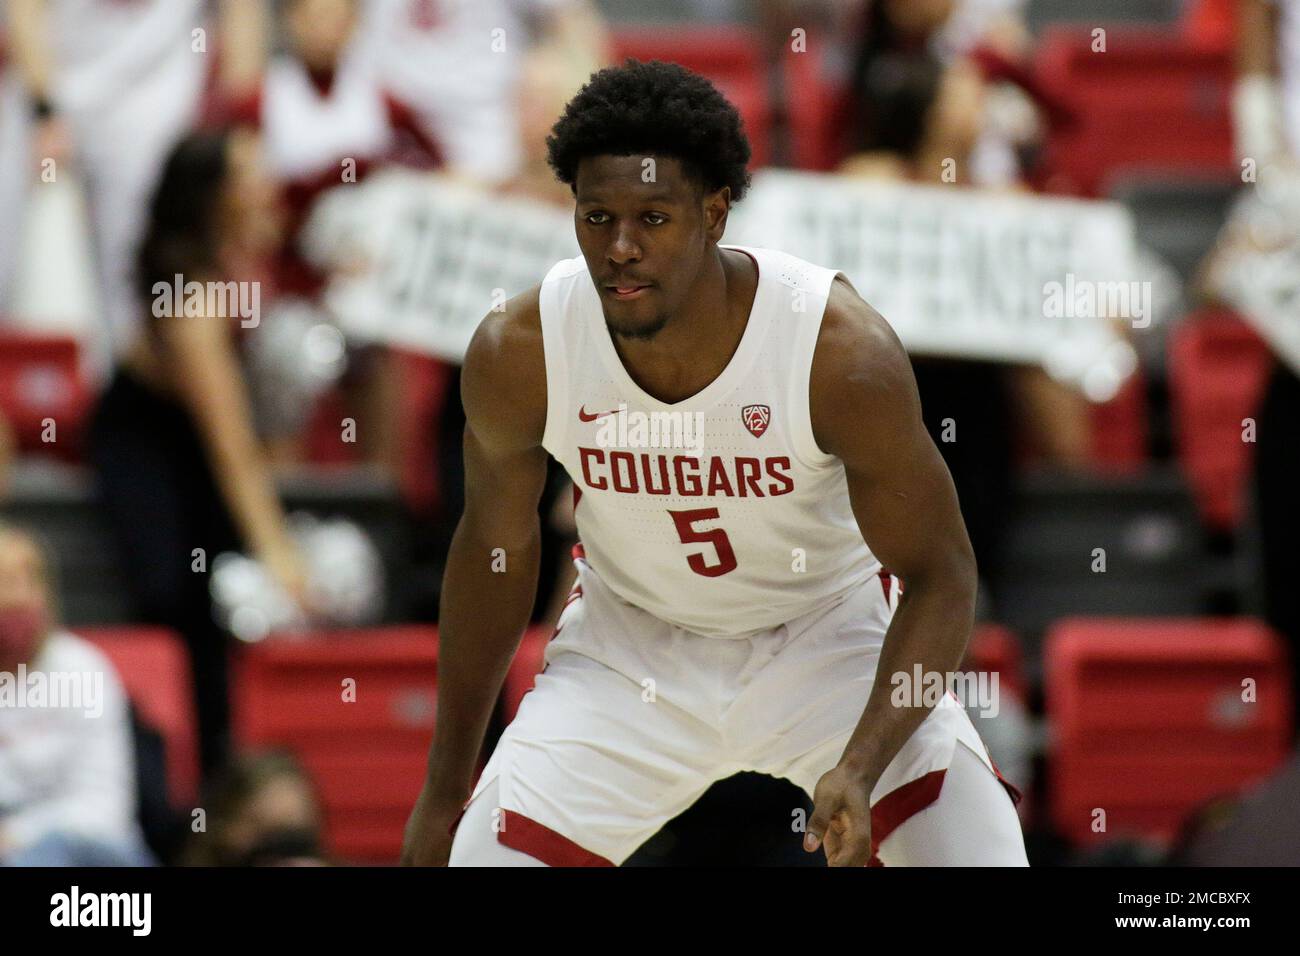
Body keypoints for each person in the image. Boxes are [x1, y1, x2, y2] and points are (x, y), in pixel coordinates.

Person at [402, 60, 1027, 867]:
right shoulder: (520, 351)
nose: (620, 249)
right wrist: (447, 786)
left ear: (715, 213)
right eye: (597, 218)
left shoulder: (837, 352)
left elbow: (943, 574)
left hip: (826, 638)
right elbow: (494, 552)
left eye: (652, 219)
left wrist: (863, 761)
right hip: (629, 654)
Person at [85, 127, 309, 781]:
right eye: (250, 173)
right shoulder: (193, 299)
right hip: (144, 444)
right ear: (214, 197)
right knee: (178, 598)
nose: (267, 183)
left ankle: (223, 769)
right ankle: (185, 779)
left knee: (211, 597)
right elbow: (229, 442)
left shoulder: (249, 262)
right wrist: (277, 549)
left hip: (189, 438)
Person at [0, 522, 152, 867]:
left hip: (91, 850)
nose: (16, 598)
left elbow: (106, 808)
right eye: (3, 584)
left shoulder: (83, 669)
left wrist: (19, 834)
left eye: (27, 581)